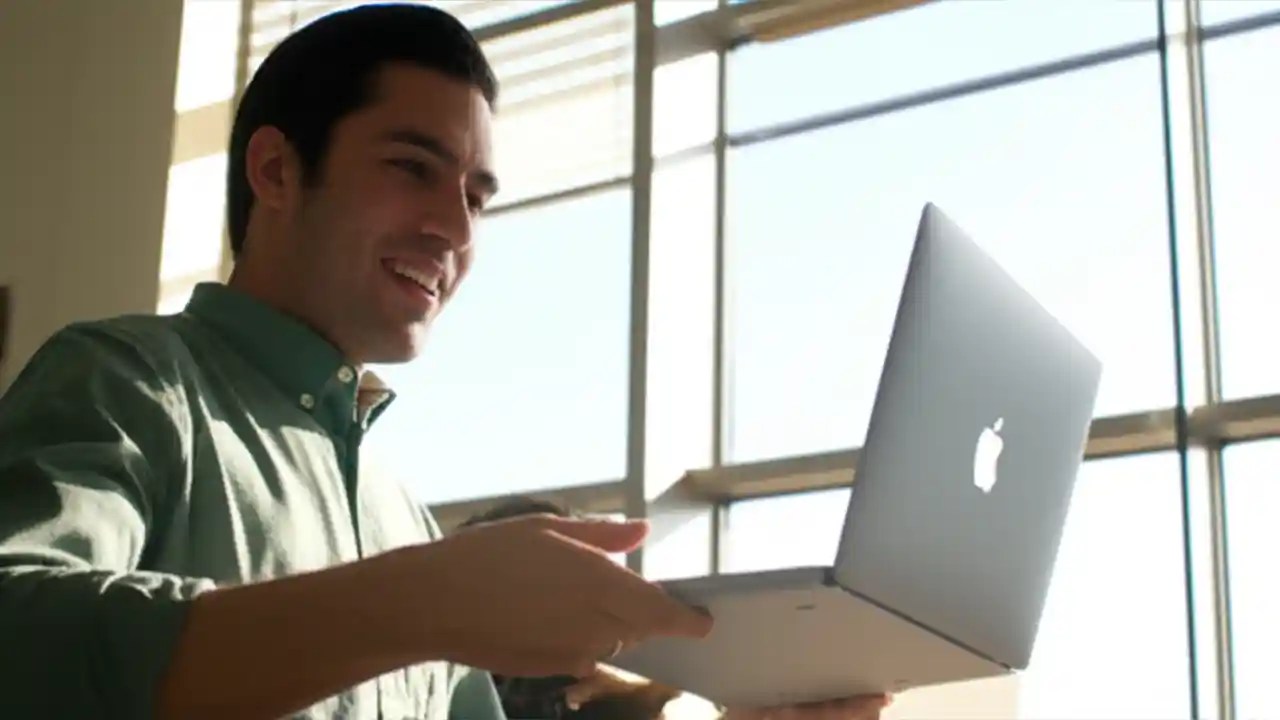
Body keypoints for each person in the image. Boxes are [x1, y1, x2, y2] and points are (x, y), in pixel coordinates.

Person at [0, 4, 894, 720]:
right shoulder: (125, 380)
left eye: (476, 194)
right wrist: (420, 603)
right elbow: (20, 637)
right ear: (274, 170)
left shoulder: (404, 521)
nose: (457, 229)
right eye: (411, 168)